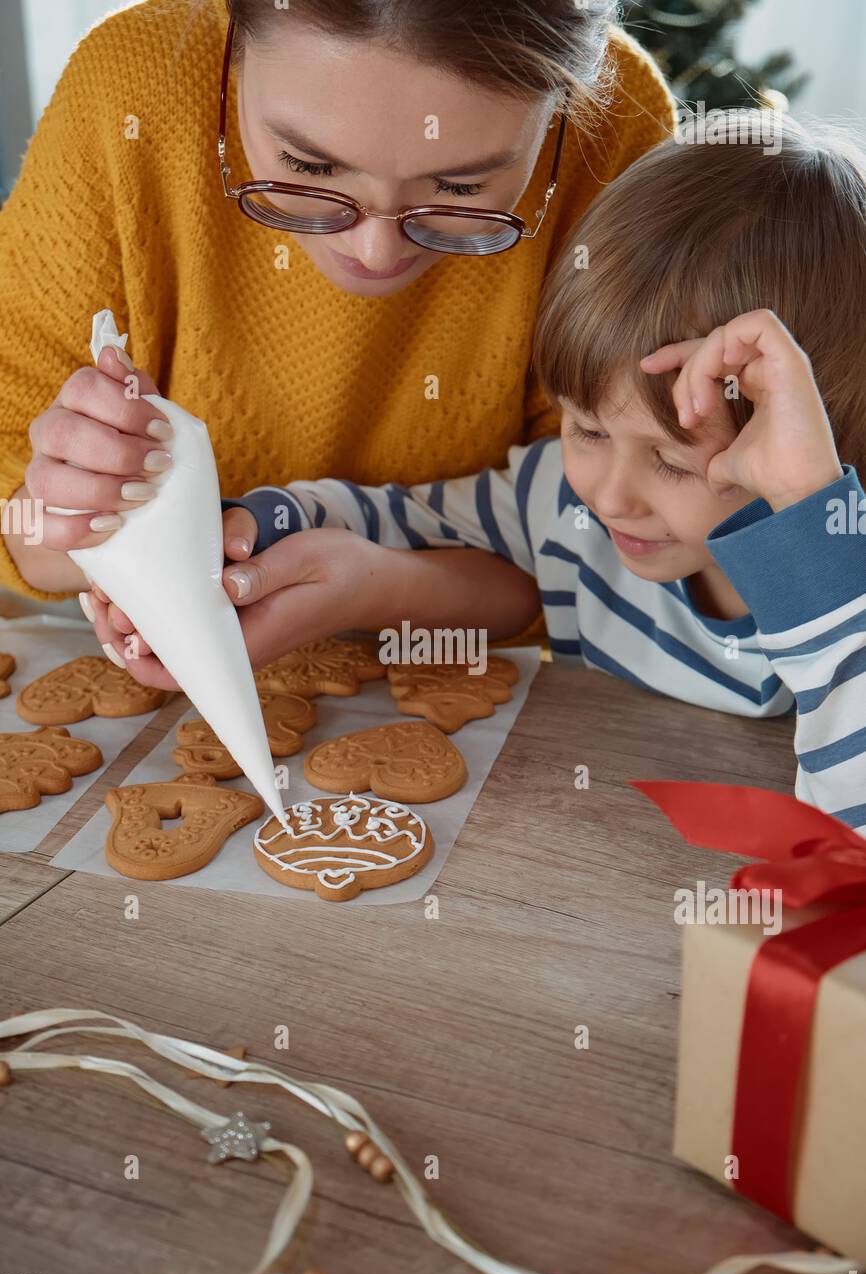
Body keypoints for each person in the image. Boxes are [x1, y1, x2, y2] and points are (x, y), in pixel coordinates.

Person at [102, 114, 866, 829]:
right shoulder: (559, 504)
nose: (607, 494)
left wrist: (808, 514)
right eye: (588, 427)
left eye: (669, 459)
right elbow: (399, 517)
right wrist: (252, 532)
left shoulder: (840, 588)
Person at [0, 0, 674, 638]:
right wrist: (72, 520)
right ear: (233, 40)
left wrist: (380, 588)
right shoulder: (130, 89)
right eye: (308, 165)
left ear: (562, 107)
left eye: (461, 188)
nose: (375, 252)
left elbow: (590, 559)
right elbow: (15, 527)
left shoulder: (616, 126)